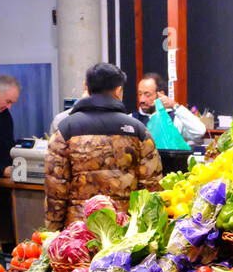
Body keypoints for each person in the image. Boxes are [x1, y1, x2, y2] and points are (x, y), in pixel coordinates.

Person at [44, 62, 161, 230]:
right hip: (124, 233)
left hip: (77, 234)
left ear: (87, 87)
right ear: (118, 90)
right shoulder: (137, 131)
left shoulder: (65, 130)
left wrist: (53, 233)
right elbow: (152, 189)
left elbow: (55, 191)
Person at [135, 72, 206, 149]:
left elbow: (199, 131)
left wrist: (175, 106)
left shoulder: (173, 119)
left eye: (147, 94)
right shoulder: (132, 119)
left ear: (160, 94)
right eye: (139, 94)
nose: (142, 100)